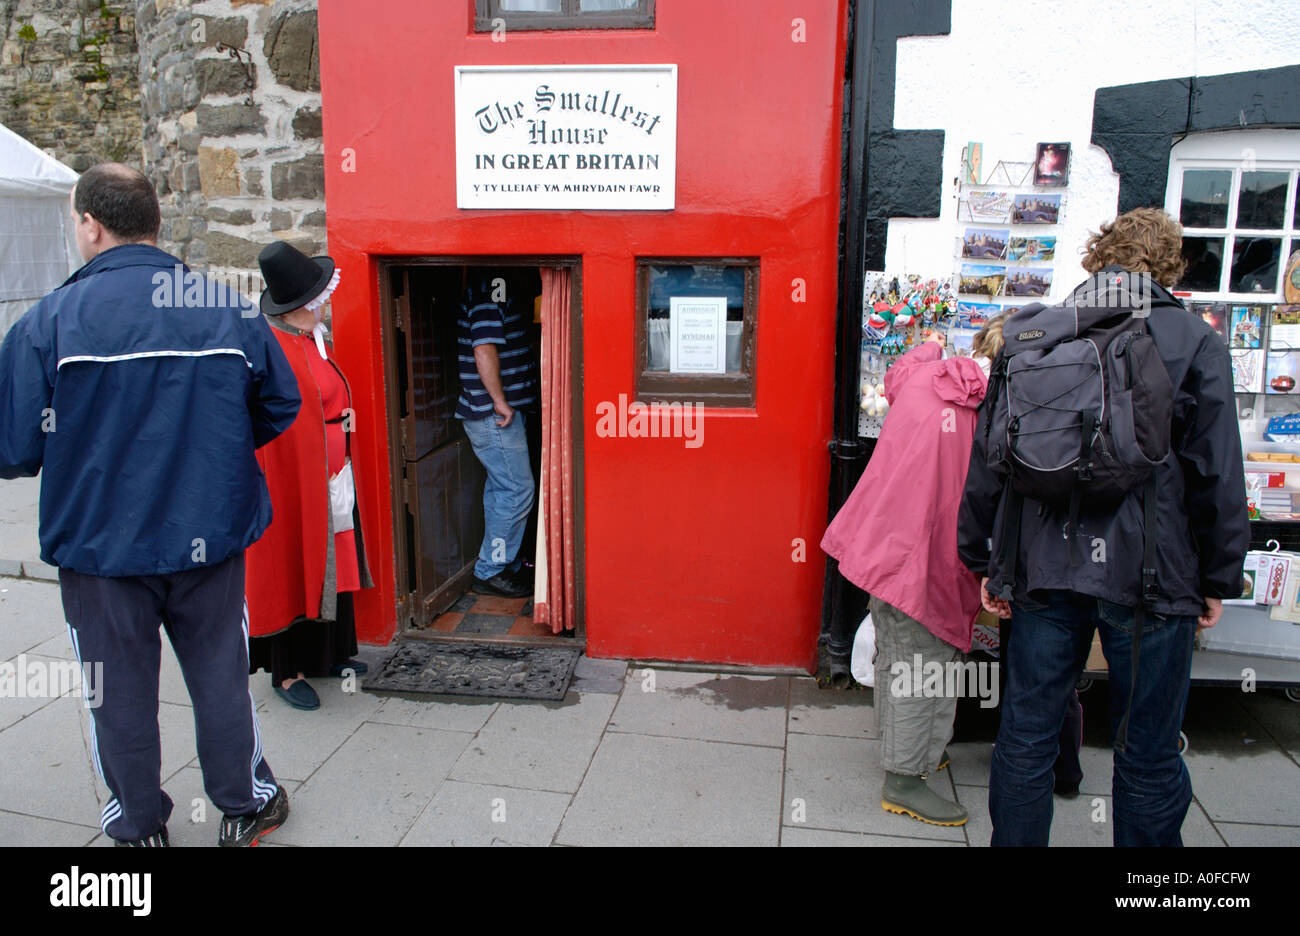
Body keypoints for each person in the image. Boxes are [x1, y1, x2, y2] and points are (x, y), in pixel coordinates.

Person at [0, 163, 300, 845]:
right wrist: (216, 450)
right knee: (221, 677)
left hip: (102, 550)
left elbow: (13, 448)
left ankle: (138, 826)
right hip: (208, 535)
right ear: (156, 222)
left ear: (89, 224)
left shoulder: (48, 323)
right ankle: (245, 801)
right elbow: (279, 403)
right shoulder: (225, 308)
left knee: (118, 694)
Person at [958, 207, 1250, 846]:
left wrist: (982, 558)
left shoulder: (1033, 333)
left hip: (1042, 565)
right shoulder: (1193, 339)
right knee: (1145, 752)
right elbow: (1217, 470)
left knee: (1027, 738)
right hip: (1152, 575)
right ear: (1170, 264)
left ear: (1099, 259)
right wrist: (1221, 574)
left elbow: (991, 462)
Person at [822, 320, 1004, 826]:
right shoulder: (992, 415)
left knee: (897, 652)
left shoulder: (929, 378)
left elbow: (899, 371)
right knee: (924, 669)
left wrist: (929, 342)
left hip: (884, 547)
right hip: (928, 562)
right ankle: (903, 778)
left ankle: (909, 745)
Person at [245, 242, 374, 710]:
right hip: (296, 481)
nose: (325, 302)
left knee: (335, 557)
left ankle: (328, 654)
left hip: (333, 472)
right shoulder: (272, 349)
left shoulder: (314, 339)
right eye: (318, 298)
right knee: (294, 562)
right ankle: (287, 673)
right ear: (299, 305)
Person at [456, 269, 539, 599]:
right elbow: (484, 346)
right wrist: (500, 402)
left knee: (502, 490)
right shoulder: (492, 287)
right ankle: (491, 569)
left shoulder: (497, 288)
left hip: (496, 414)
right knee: (517, 489)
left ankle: (503, 560)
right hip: (494, 416)